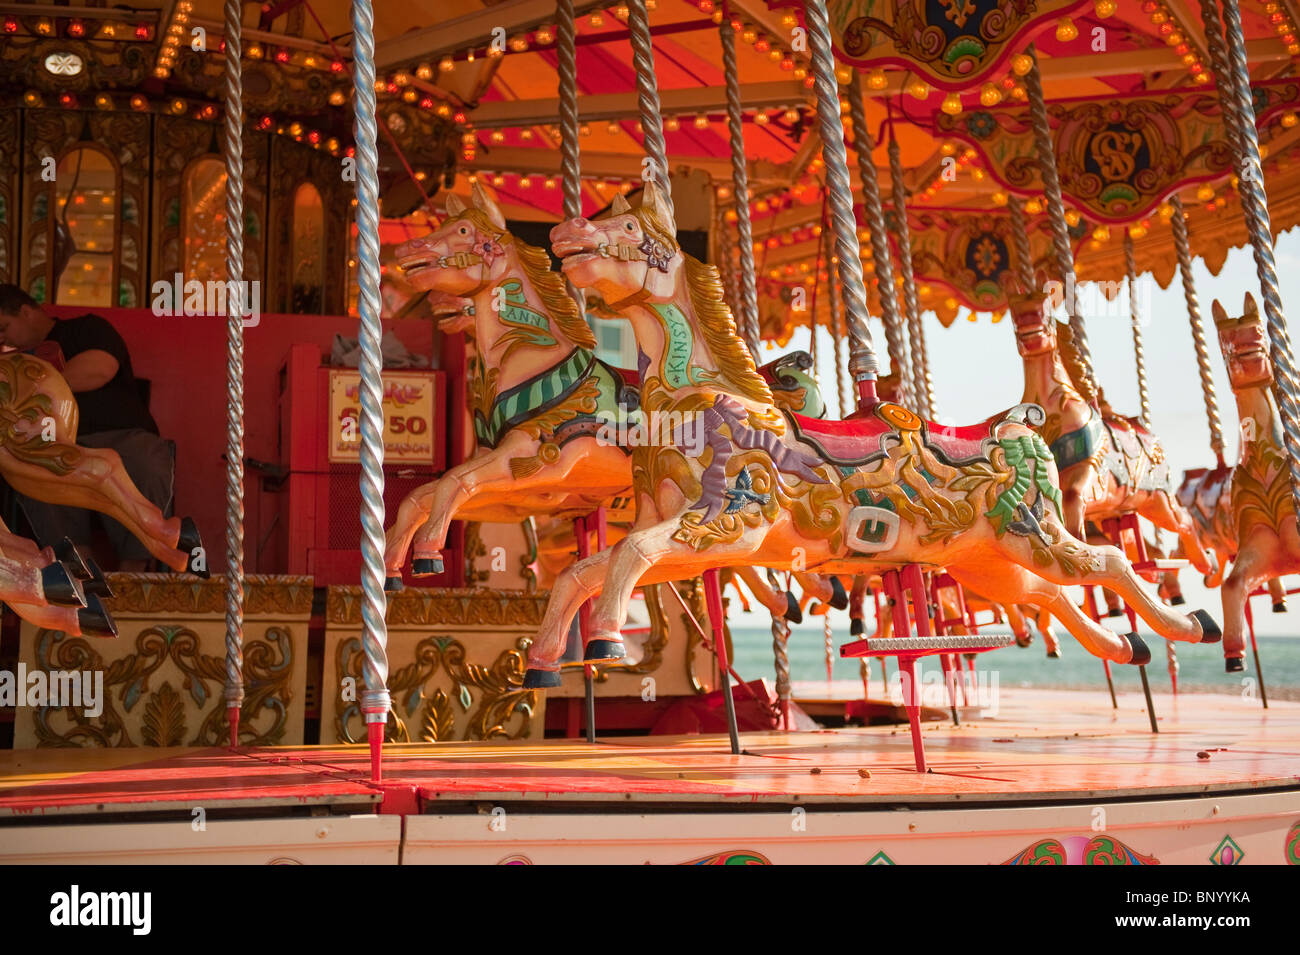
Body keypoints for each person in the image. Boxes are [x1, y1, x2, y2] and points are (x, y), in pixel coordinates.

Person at [0, 284, 174, 570]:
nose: (2, 337)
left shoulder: (86, 328)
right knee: (35, 474)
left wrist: (35, 385)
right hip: (52, 443)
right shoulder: (14, 360)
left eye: (4, 327)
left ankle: (135, 572)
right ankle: (81, 575)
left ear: (25, 311)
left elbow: (100, 368)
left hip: (120, 434)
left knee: (146, 463)